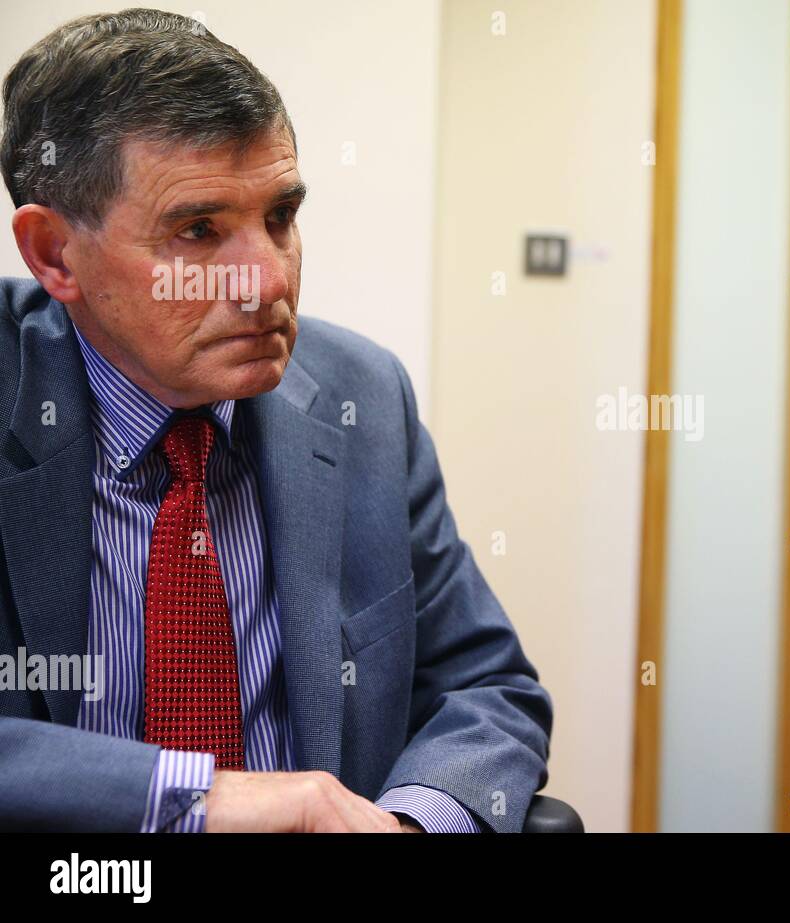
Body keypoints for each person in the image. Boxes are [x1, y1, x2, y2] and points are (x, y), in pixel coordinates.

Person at [0, 9, 552, 832]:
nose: (267, 282)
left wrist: (408, 821)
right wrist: (196, 798)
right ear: (52, 255)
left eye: (282, 217)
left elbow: (484, 685)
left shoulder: (361, 396)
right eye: (198, 230)